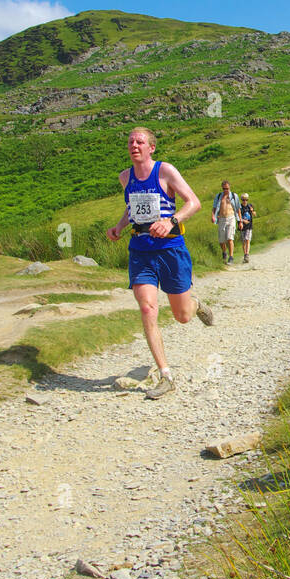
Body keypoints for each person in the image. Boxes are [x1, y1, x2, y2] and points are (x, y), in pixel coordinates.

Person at [106, 127, 214, 399]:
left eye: (140, 141)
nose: (134, 145)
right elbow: (131, 208)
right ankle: (165, 375)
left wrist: (170, 221)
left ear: (151, 147)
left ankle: (195, 304)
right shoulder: (125, 177)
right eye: (130, 141)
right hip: (140, 250)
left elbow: (194, 202)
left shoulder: (165, 171)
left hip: (170, 249)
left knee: (182, 316)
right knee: (147, 307)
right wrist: (119, 227)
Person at [211, 180, 240, 264]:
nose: (225, 190)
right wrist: (213, 215)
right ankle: (224, 252)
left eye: (227, 188)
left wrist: (240, 221)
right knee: (221, 241)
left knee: (230, 238)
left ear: (229, 187)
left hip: (231, 218)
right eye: (224, 189)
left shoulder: (234, 196)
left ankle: (231, 257)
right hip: (221, 219)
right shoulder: (219, 196)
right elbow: (214, 207)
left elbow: (238, 209)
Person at [238, 192, 256, 263]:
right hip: (242, 226)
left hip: (249, 226)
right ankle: (245, 254)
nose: (245, 201)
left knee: (247, 239)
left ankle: (247, 254)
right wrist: (243, 220)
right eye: (243, 199)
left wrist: (252, 211)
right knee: (243, 241)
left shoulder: (250, 206)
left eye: (246, 199)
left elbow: (255, 214)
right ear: (241, 200)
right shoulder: (239, 207)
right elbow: (237, 217)